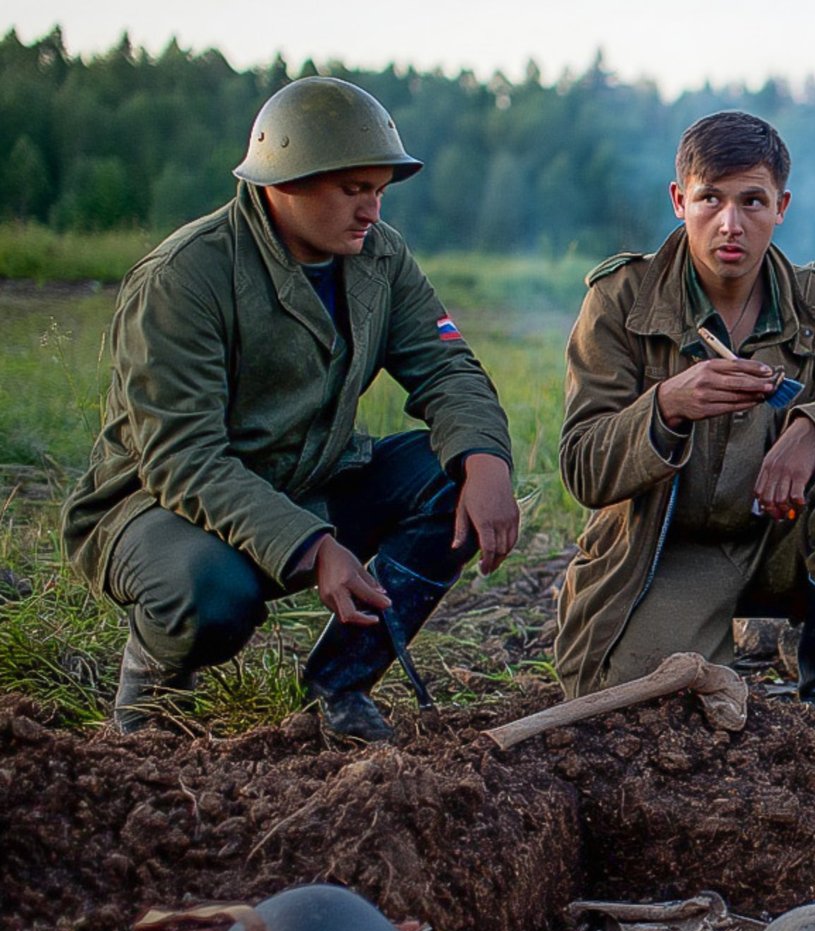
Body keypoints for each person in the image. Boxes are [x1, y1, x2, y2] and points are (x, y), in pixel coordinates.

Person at [62, 77, 519, 741]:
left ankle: (339, 686)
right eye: (352, 189)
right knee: (209, 593)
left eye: (379, 189)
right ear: (285, 180)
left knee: (449, 477)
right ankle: (148, 712)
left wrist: (485, 458)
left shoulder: (379, 258)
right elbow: (181, 458)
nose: (371, 209)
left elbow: (445, 363)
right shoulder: (187, 276)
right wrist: (311, 547)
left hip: (307, 478)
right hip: (158, 507)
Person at [554, 111, 815, 745]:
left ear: (780, 206)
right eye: (711, 198)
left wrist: (814, 428)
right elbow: (582, 468)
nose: (731, 223)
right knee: (629, 711)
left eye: (752, 200)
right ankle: (708, 656)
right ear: (680, 201)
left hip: (779, 539)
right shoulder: (621, 300)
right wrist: (668, 405)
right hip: (665, 550)